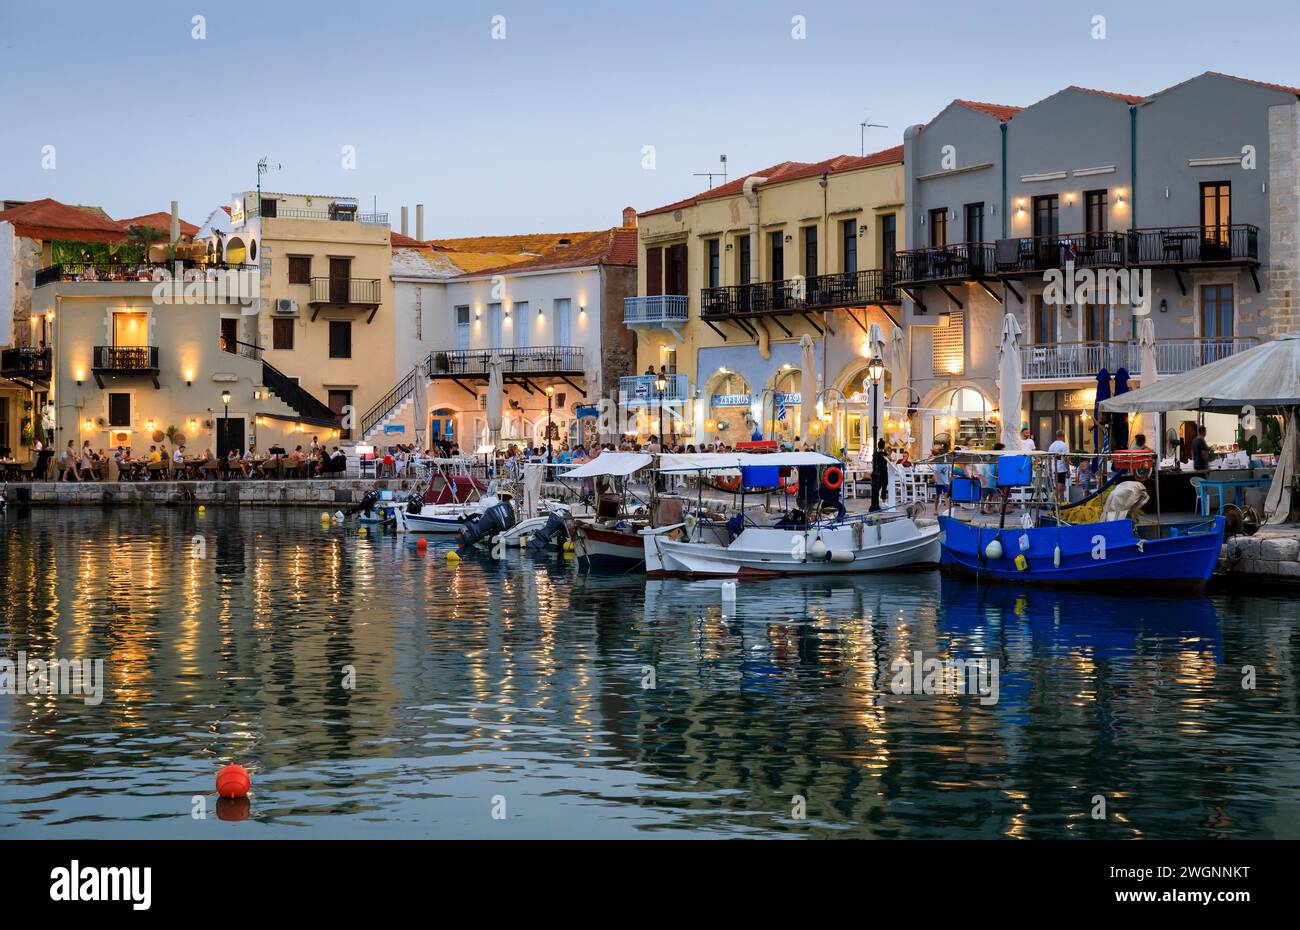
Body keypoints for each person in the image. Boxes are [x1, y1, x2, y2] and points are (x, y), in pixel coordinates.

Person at [1047, 429, 1069, 503]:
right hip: (1061, 468)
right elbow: (1066, 459)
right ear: (1063, 436)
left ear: (1056, 436)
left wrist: (1049, 469)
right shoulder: (1064, 445)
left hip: (1054, 468)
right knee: (1061, 484)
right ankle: (1053, 495)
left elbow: (1049, 458)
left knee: (1060, 485)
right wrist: (1068, 470)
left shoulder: (1052, 445)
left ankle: (1061, 501)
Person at [870, 438, 888, 513]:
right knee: (884, 487)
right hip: (884, 472)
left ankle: (876, 501)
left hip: (877, 472)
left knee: (877, 488)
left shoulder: (875, 454)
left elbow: (872, 462)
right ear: (883, 446)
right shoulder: (884, 455)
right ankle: (884, 502)